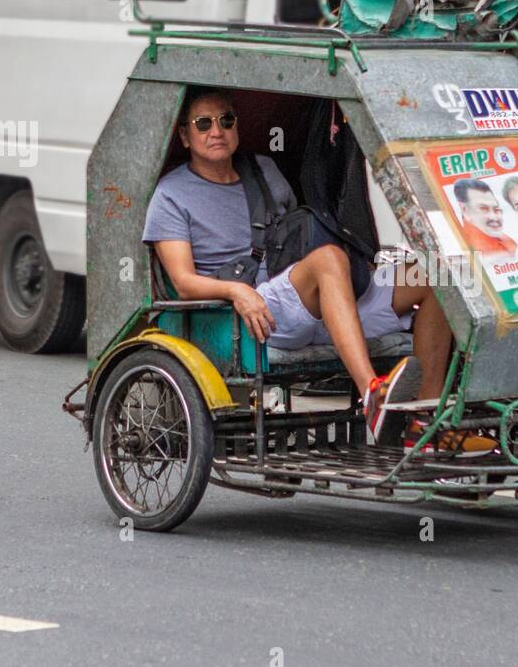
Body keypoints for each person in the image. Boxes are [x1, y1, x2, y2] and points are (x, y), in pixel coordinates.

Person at [144, 86, 494, 454]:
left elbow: (296, 237)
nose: (216, 131)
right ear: (185, 135)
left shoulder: (263, 170)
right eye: (203, 124)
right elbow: (182, 283)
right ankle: (372, 395)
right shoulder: (172, 194)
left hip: (311, 294)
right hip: (253, 311)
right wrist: (236, 292)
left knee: (435, 275)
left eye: (225, 121)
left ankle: (425, 423)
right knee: (328, 259)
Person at [453, 178, 516, 256]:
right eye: (483, 209)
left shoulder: (502, 239)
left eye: (496, 209)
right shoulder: (473, 249)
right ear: (464, 210)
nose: (493, 217)